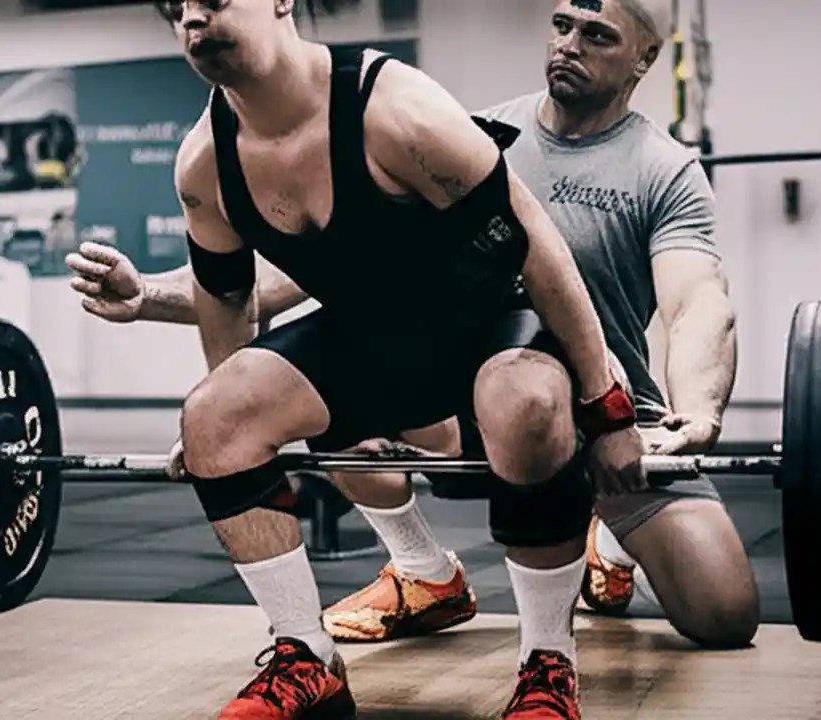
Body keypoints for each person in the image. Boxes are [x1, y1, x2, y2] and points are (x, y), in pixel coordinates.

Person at [74, 0, 759, 657]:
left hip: (606, 412)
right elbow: (320, 272)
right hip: (466, 396)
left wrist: (693, 410)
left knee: (722, 614)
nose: (568, 45)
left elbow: (698, 302)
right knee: (322, 393)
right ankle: (422, 569)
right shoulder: (472, 128)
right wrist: (153, 302)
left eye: (597, 34)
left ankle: (602, 538)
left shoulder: (663, 169)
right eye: (561, 25)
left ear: (644, 58)